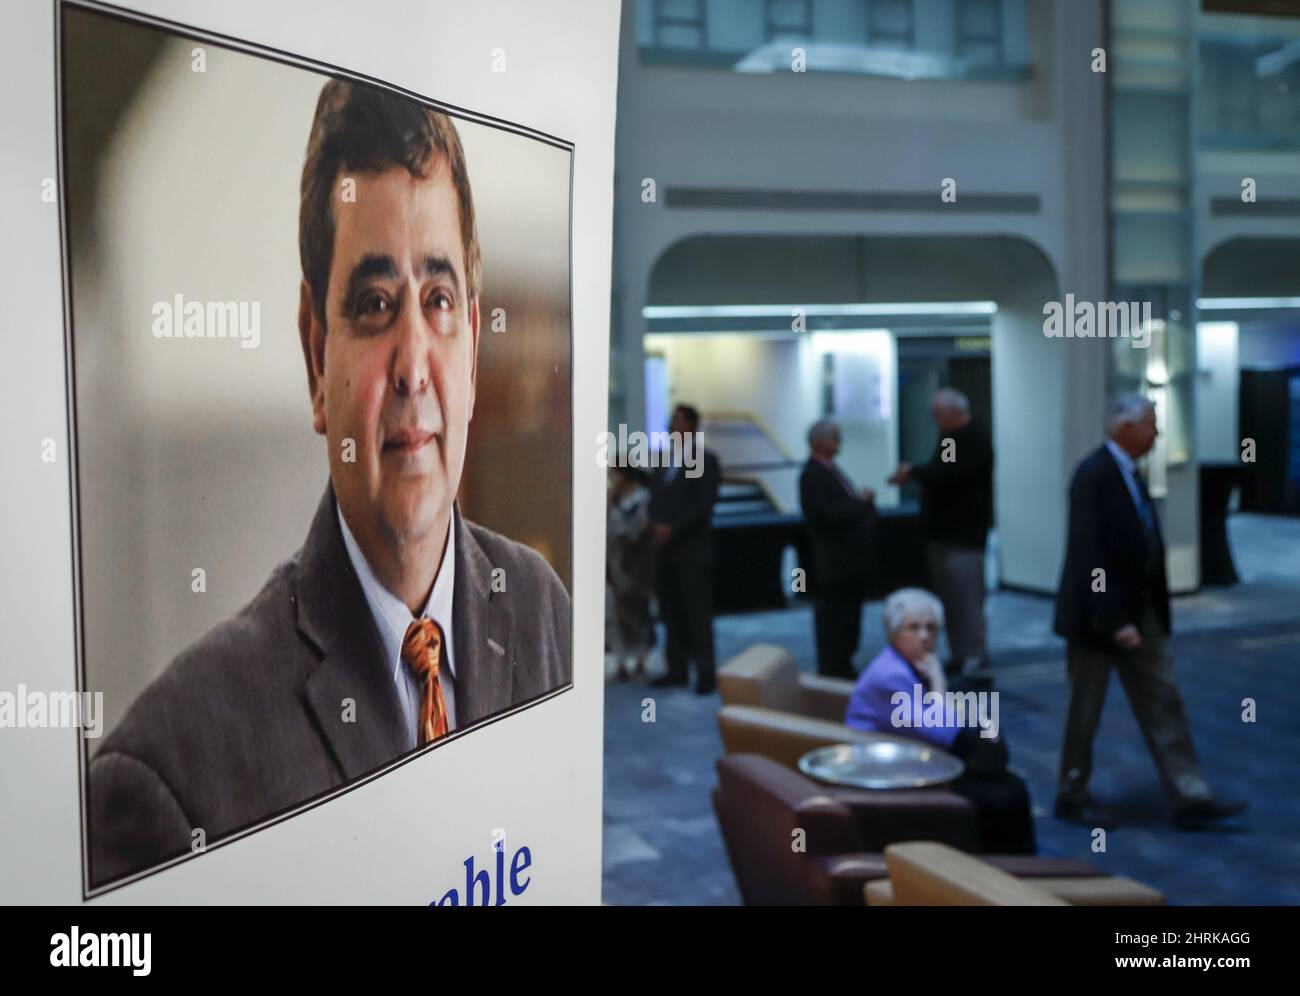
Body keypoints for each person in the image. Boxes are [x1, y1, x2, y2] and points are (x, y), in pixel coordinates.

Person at [87, 80, 572, 888]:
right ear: (318, 357)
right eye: (377, 305)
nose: (415, 365)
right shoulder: (169, 776)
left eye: (440, 300)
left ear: (473, 355)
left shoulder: (541, 614)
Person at [1053, 395, 1245, 831]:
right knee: (1085, 712)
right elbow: (1090, 556)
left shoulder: (1131, 474)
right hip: (1098, 622)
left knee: (1164, 703)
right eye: (1152, 425)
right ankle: (1072, 792)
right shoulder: (1093, 475)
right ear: (1126, 427)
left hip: (1144, 615)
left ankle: (1189, 795)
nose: (1157, 433)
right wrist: (1115, 620)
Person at [846, 588, 1035, 855]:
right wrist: (938, 682)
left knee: (1008, 780)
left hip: (916, 748)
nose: (924, 637)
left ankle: (1019, 866)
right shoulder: (891, 675)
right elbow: (942, 731)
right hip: (892, 766)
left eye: (931, 628)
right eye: (913, 628)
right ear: (893, 632)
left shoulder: (907, 663)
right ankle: (1003, 870)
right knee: (1003, 794)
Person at [889, 388, 993, 677]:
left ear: (952, 412)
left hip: (963, 536)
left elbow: (950, 475)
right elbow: (942, 470)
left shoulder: (973, 438)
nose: (935, 419)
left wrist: (913, 472)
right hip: (945, 534)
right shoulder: (951, 438)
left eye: (937, 413)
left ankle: (973, 655)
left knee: (966, 600)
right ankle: (961, 653)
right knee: (952, 602)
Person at [648, 404, 722, 694]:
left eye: (678, 421)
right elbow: (655, 498)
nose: (672, 425)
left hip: (692, 551)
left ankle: (705, 673)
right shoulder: (664, 461)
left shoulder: (705, 459)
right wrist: (653, 523)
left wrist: (673, 528)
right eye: (671, 421)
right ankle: (676, 668)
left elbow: (703, 504)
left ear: (691, 426)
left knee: (697, 615)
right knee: (671, 613)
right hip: (665, 552)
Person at [799, 418, 877, 679]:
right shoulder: (812, 474)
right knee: (834, 620)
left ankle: (843, 663)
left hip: (848, 562)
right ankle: (834, 668)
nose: (839, 441)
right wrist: (861, 503)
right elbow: (828, 514)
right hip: (833, 563)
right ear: (819, 442)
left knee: (848, 618)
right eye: (834, 436)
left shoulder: (830, 470)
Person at [606, 465, 654, 681]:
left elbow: (644, 527)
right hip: (615, 561)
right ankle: (622, 660)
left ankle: (641, 656)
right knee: (617, 613)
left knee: (640, 610)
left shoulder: (643, 498)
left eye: (615, 473)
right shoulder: (612, 498)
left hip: (638, 561)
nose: (612, 478)